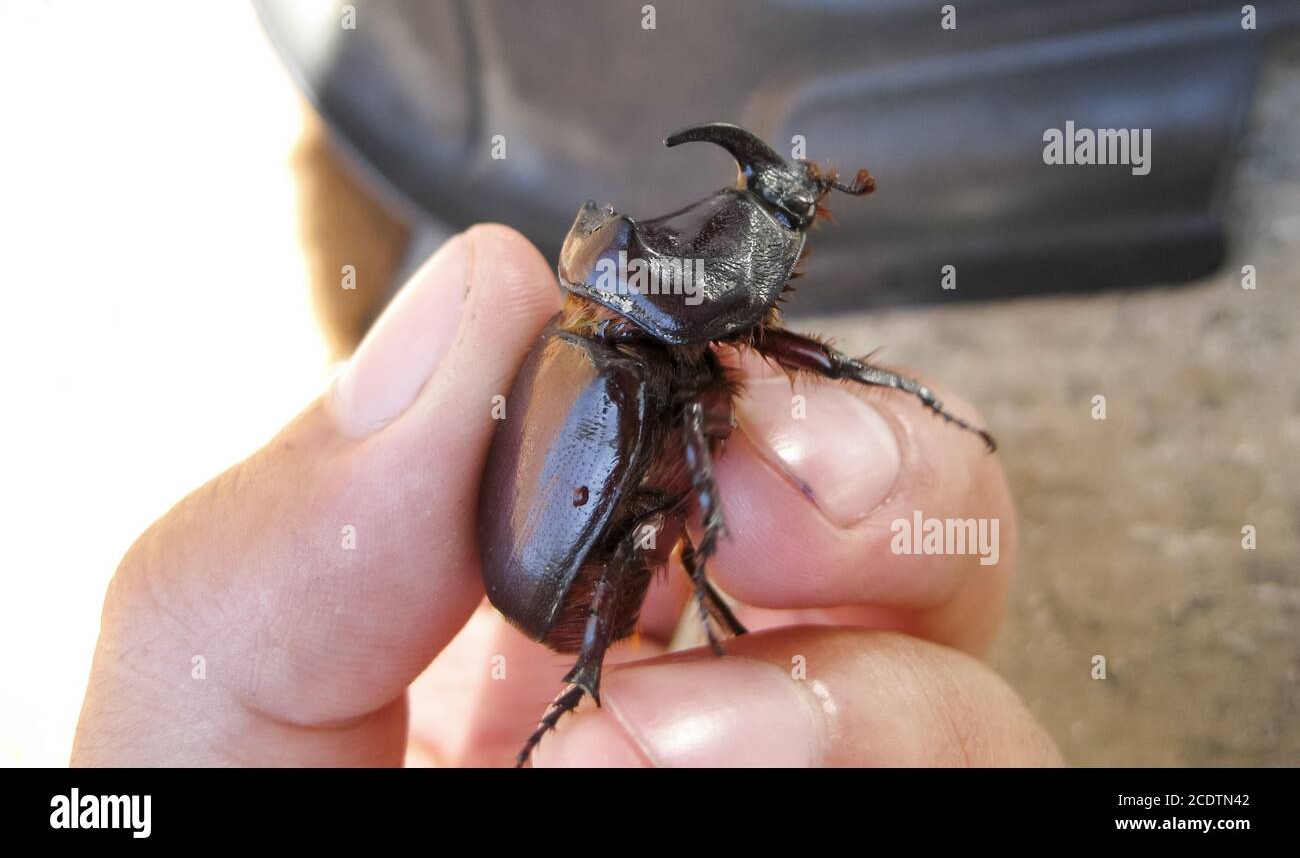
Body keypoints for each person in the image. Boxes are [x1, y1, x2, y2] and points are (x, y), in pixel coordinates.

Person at [71, 225, 1061, 767]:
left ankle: (607, 673)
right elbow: (674, 487)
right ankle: (584, 693)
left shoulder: (632, 351)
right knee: (641, 535)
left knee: (698, 490)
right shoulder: (623, 368)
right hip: (567, 587)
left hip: (553, 586)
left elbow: (704, 454)